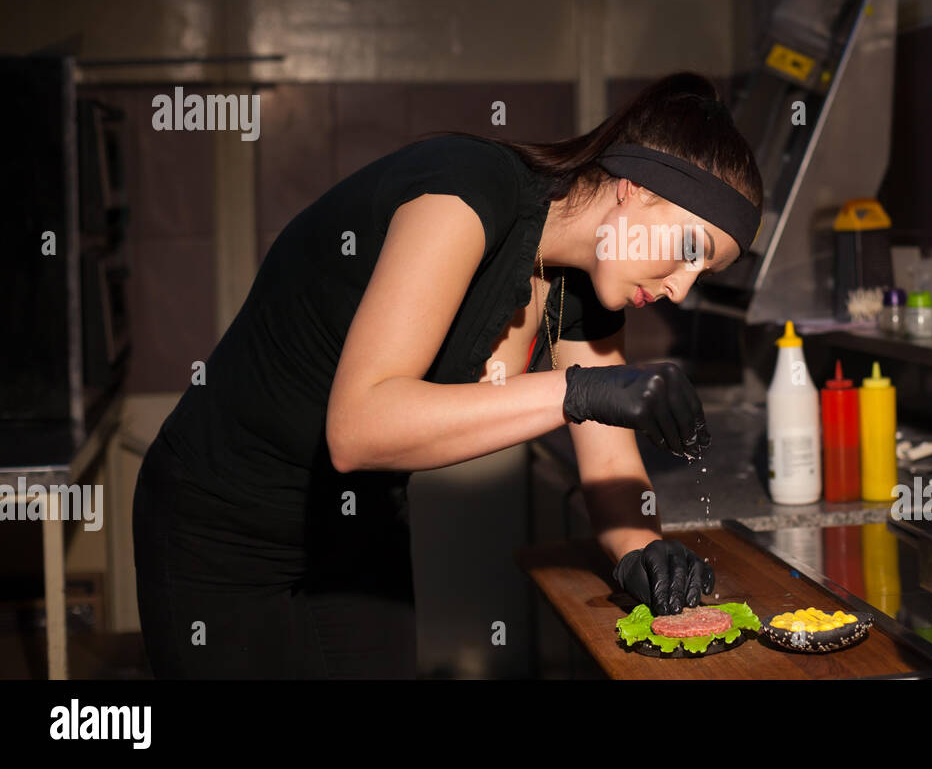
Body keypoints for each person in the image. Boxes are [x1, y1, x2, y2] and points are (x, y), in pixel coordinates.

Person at [132, 71, 764, 678]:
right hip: (220, 524)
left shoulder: (590, 285)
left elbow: (609, 468)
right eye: (692, 250)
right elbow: (359, 429)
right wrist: (577, 391)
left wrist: (640, 552)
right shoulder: (467, 191)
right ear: (637, 186)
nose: (682, 290)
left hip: (357, 526)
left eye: (702, 274)